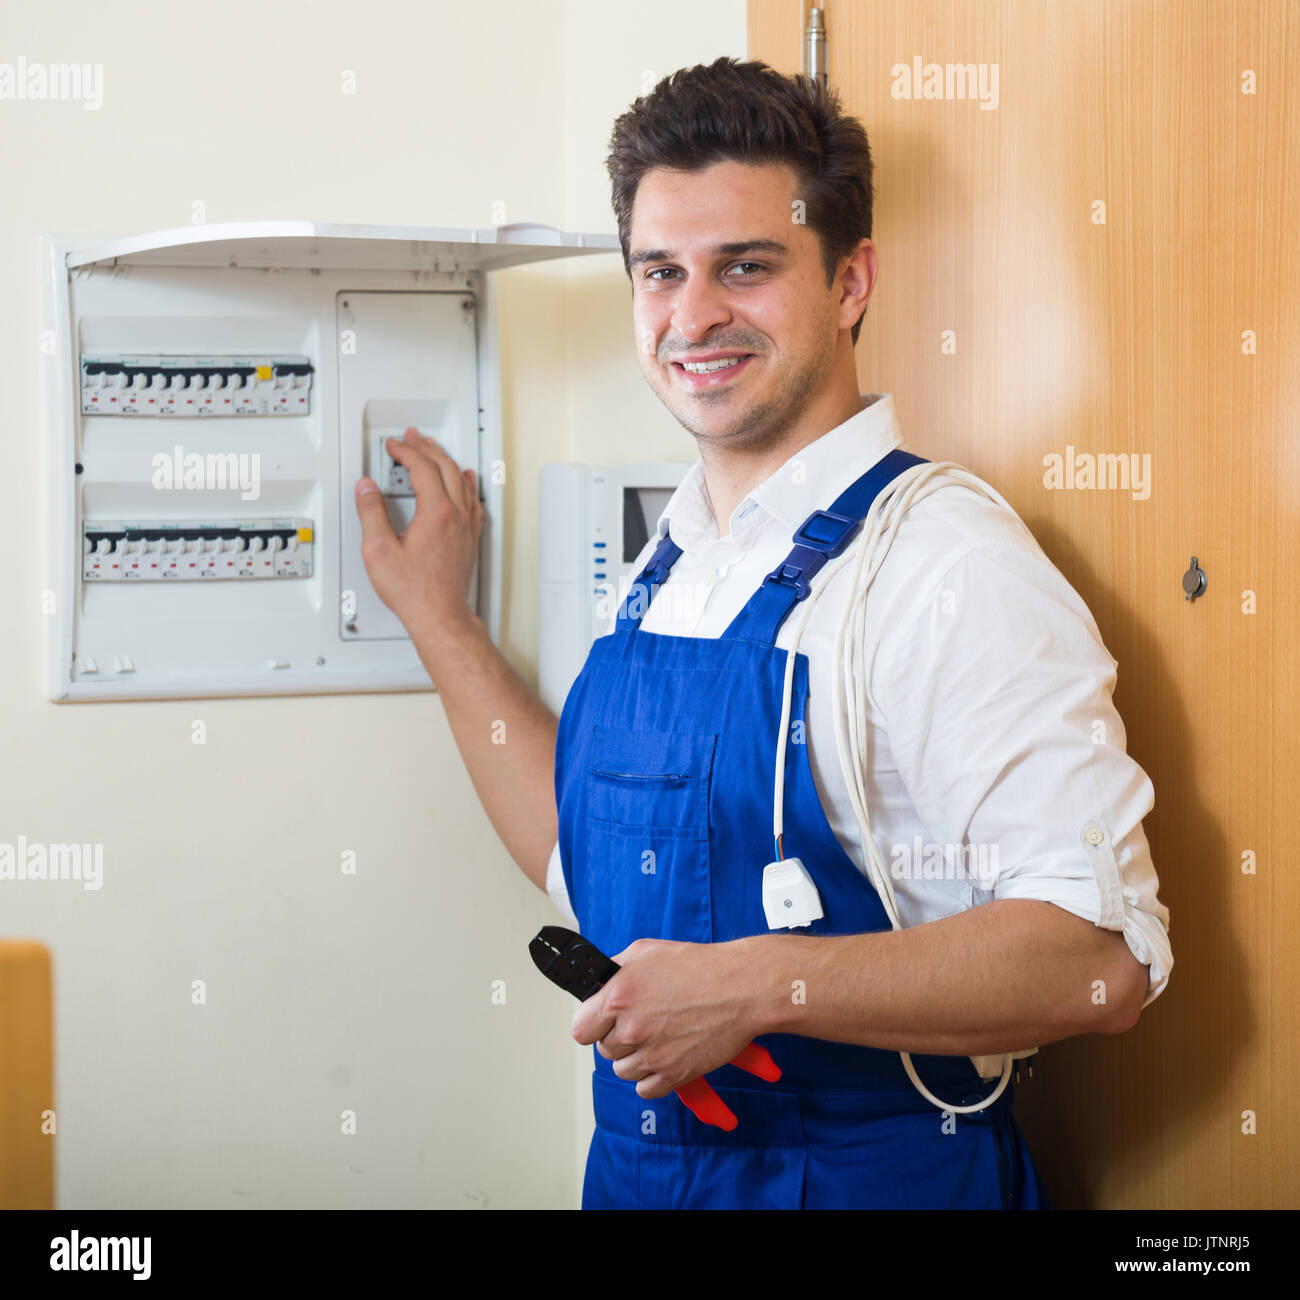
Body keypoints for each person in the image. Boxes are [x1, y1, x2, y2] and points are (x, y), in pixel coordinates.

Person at [354, 57, 1172, 1210]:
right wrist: (438, 620)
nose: (692, 317)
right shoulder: (669, 563)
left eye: (745, 266)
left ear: (850, 282)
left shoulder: (943, 565)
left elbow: (1102, 961)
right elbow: (577, 858)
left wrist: (758, 988)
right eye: (660, 273)